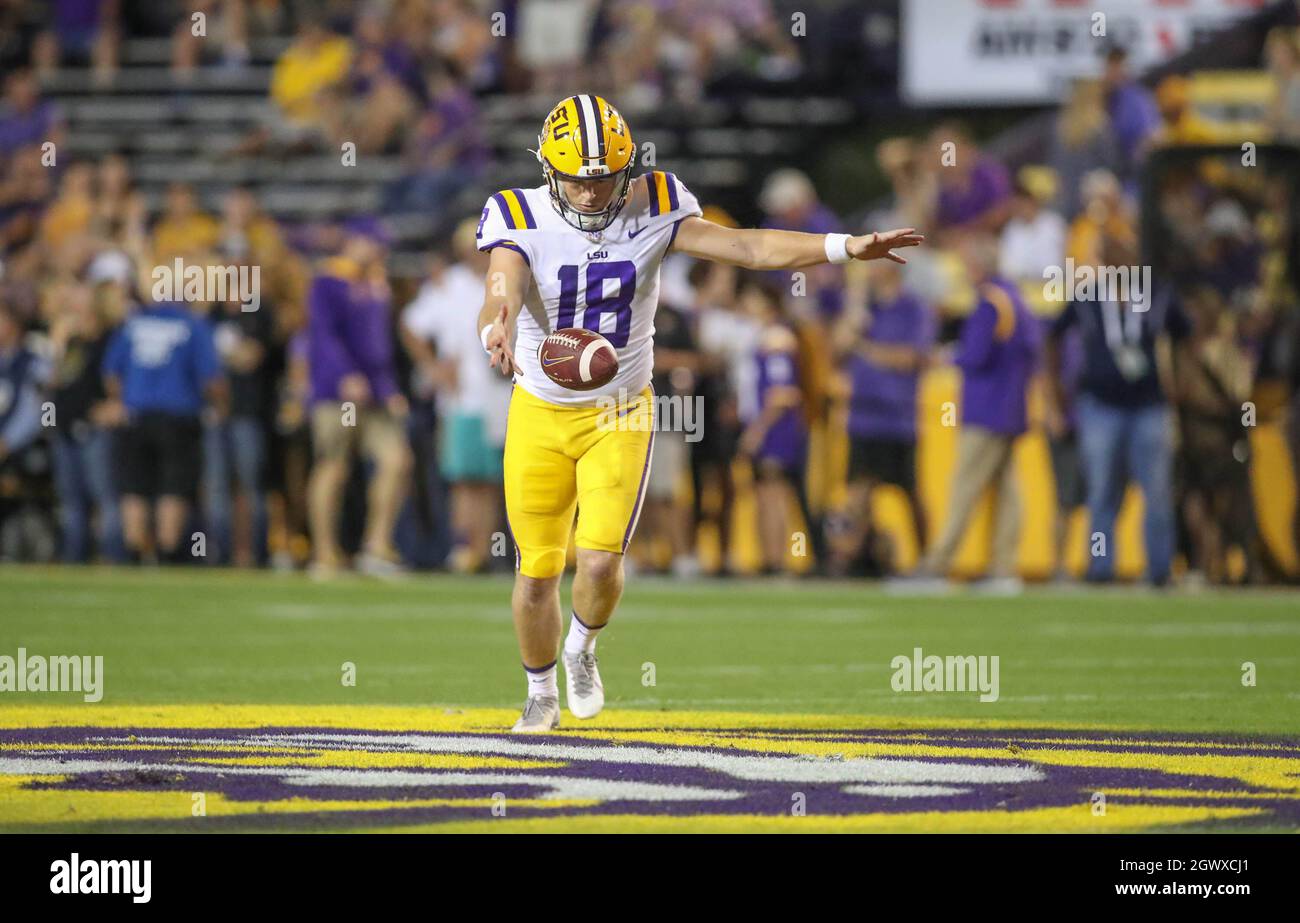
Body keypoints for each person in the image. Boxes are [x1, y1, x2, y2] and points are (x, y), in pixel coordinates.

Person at [476, 94, 923, 731]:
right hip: (541, 410)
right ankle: (540, 690)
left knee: (600, 561)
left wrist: (842, 247)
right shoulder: (515, 212)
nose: (591, 191)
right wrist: (496, 323)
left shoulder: (656, 201)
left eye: (605, 177)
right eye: (578, 177)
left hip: (619, 411)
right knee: (538, 571)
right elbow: (504, 281)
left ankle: (582, 647)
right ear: (549, 168)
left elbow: (748, 249)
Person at [1046, 233, 1188, 586]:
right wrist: (1057, 395)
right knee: (1101, 491)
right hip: (1100, 405)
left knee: (1155, 491)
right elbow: (1052, 336)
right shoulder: (1088, 295)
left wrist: (1180, 386)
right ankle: (1100, 568)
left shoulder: (1157, 292)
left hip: (1149, 405)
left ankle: (1159, 571)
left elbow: (1186, 334)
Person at [921, 234, 1041, 591]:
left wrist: (945, 356)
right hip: (1010, 406)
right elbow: (1033, 350)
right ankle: (1004, 568)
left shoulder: (990, 302)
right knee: (1006, 490)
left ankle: (938, 564)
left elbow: (974, 356)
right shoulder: (1015, 298)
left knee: (965, 487)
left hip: (986, 407)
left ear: (977, 266)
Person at [401, 218, 510, 574]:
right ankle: (465, 548)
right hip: (464, 398)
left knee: (493, 479)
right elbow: (412, 325)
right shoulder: (450, 285)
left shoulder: (506, 283)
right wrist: (432, 367)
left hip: (503, 395)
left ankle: (487, 549)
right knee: (466, 479)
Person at [305, 217, 412, 577]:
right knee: (333, 465)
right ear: (356, 241)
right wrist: (344, 375)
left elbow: (379, 344)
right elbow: (323, 335)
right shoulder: (328, 281)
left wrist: (388, 388)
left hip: (374, 395)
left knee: (397, 460)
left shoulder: (375, 283)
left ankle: (376, 545)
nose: (381, 250)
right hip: (337, 393)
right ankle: (324, 553)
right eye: (375, 242)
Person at [102, 296, 225, 564]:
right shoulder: (193, 324)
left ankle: (133, 555)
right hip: (178, 417)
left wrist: (126, 399)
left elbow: (111, 374)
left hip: (135, 417)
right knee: (174, 488)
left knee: (135, 487)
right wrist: (219, 406)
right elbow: (211, 379)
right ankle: (167, 553)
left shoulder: (134, 323)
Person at [834, 259, 934, 575]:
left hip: (898, 416)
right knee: (858, 495)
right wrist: (854, 309)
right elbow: (837, 351)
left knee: (910, 494)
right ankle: (856, 559)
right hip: (863, 416)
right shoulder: (864, 310)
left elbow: (910, 359)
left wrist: (864, 347)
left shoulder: (914, 309)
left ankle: (929, 562)